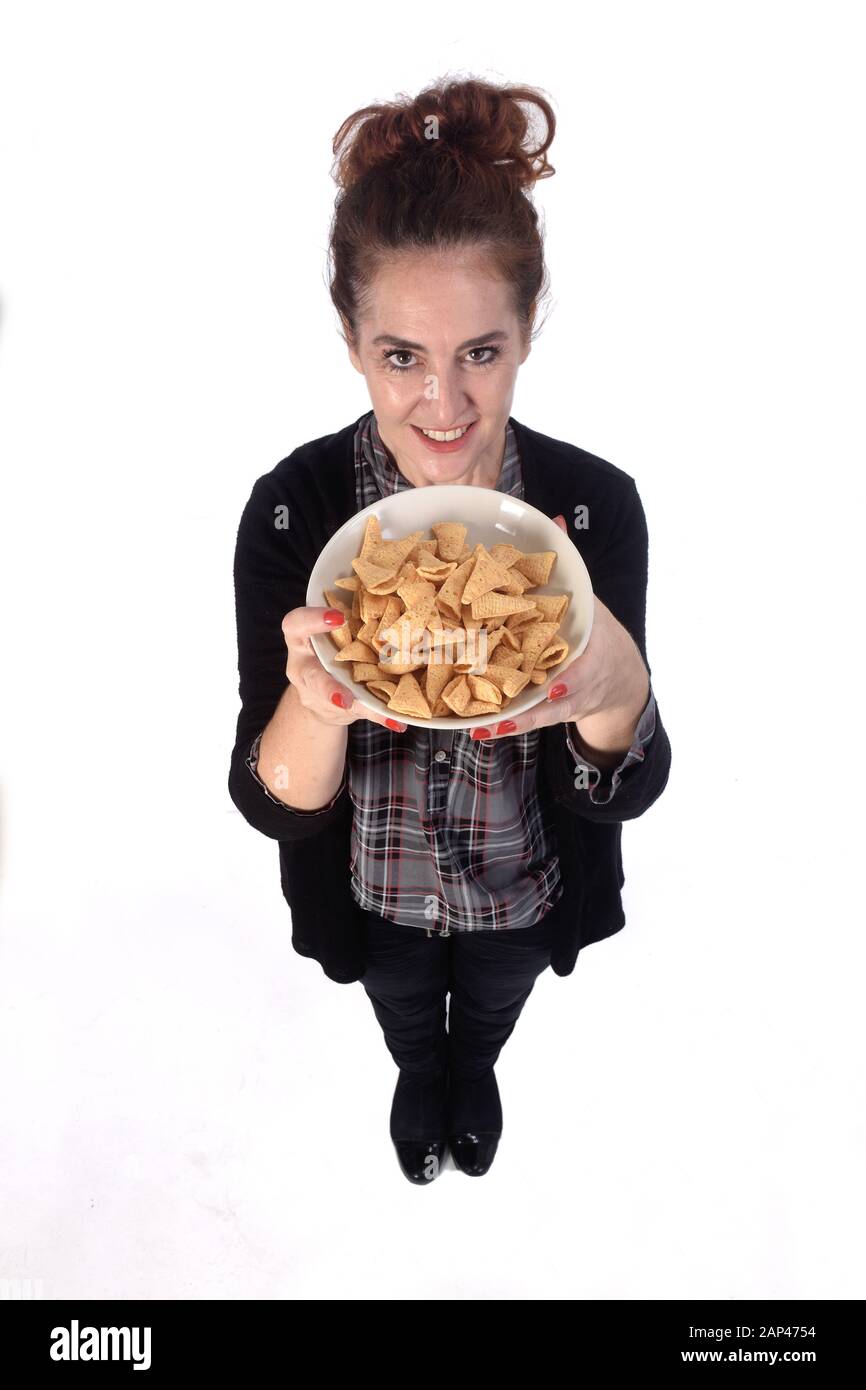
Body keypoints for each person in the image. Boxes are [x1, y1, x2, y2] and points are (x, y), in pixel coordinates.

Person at [228, 76, 672, 1185]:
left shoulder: (591, 507)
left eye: (478, 351)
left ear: (525, 331)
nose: (442, 404)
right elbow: (264, 793)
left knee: (491, 1000)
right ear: (350, 341)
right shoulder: (294, 508)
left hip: (525, 890)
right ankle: (414, 1070)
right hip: (374, 893)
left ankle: (470, 1069)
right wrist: (318, 694)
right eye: (401, 356)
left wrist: (617, 691)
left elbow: (613, 782)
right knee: (401, 1006)